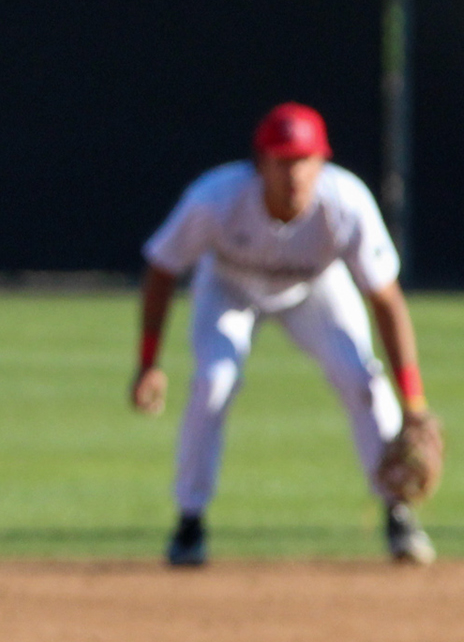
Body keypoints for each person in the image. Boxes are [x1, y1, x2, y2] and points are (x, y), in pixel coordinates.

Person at [129, 102, 435, 566]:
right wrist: (148, 363)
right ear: (260, 163)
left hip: (316, 288)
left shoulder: (346, 204)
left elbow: (386, 299)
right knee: (213, 381)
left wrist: (414, 403)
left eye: (304, 160)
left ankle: (398, 516)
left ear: (322, 162)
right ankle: (189, 523)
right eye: (282, 160)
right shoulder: (215, 199)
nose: (294, 172)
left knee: (361, 380)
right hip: (229, 287)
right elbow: (162, 268)